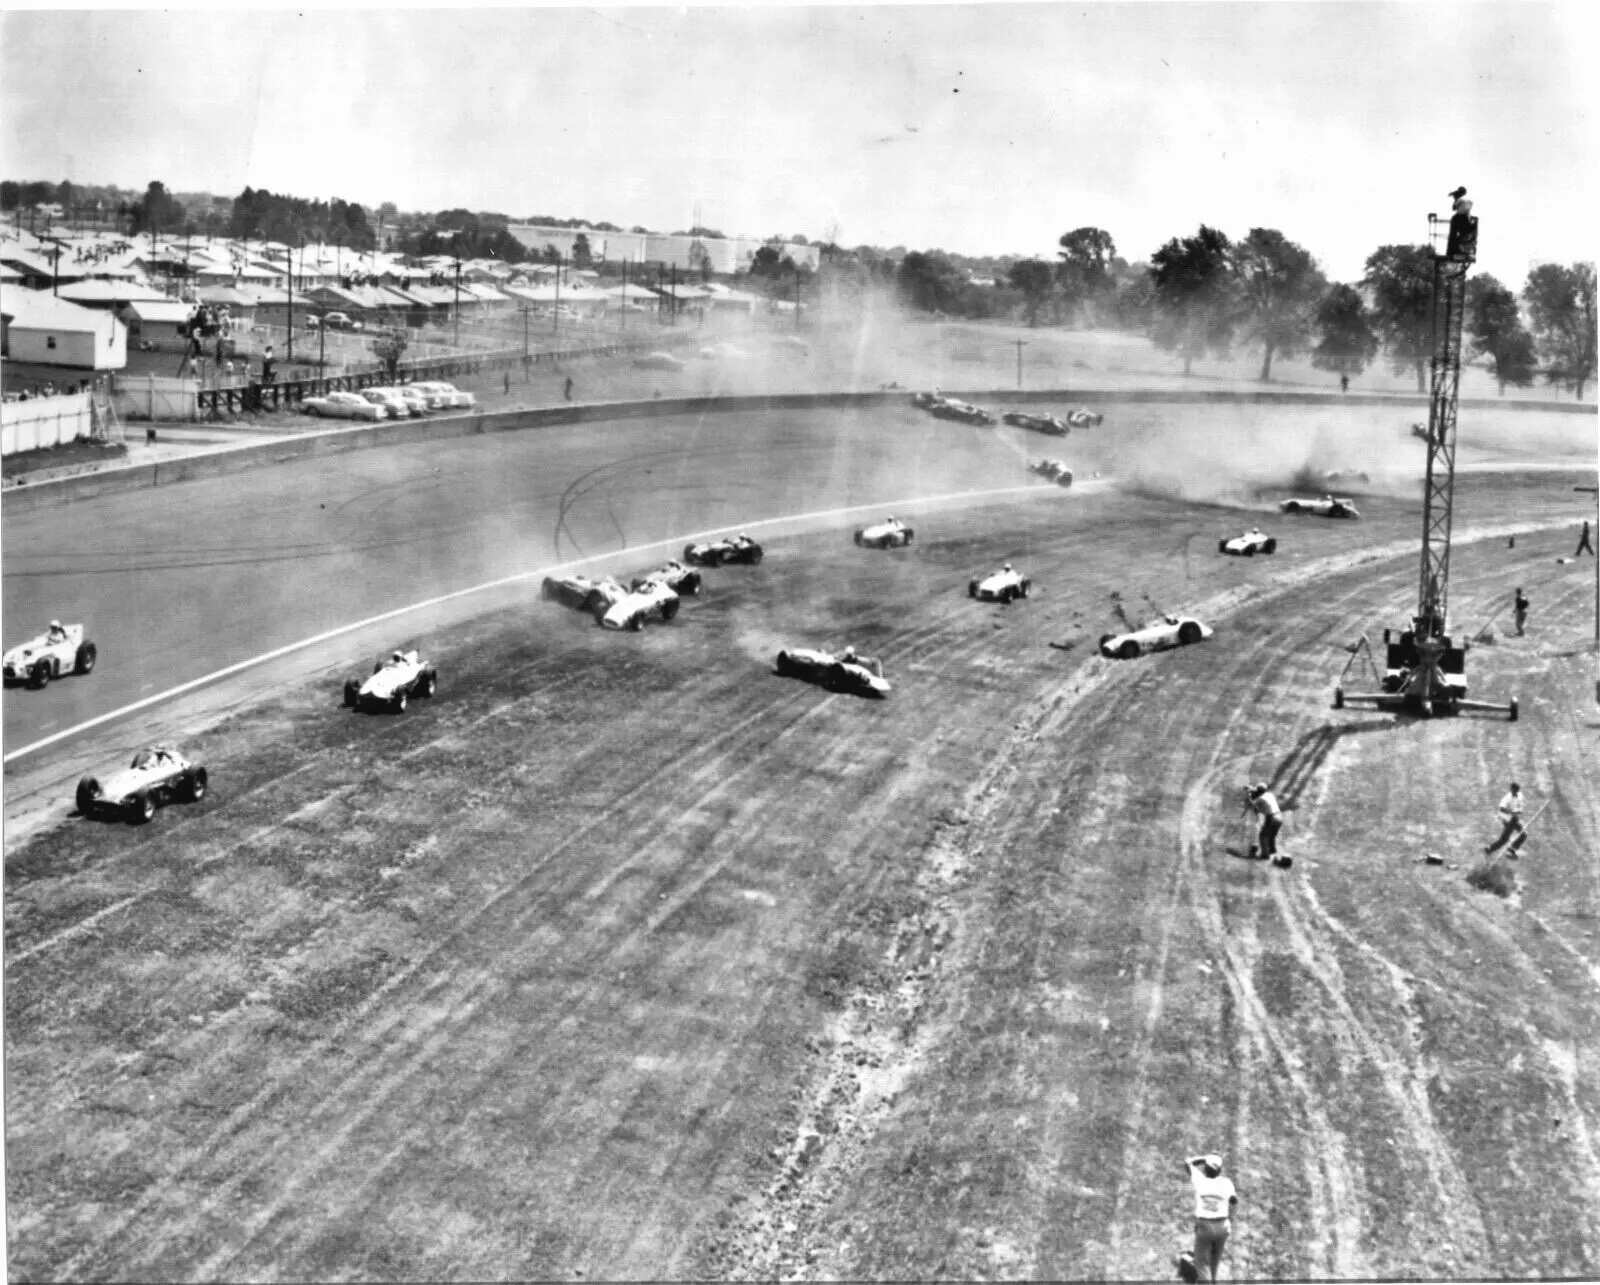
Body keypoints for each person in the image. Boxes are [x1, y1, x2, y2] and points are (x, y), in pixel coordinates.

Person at [1184, 1154, 1238, 1283]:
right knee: (1215, 1260)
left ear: (1205, 1169)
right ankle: (1214, 1281)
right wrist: (1230, 1220)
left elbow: (1188, 1162)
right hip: (1223, 1226)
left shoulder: (1199, 1180)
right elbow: (1234, 1201)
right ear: (1220, 1170)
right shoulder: (1226, 1183)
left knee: (1201, 1263)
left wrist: (1204, 1158)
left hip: (1205, 1226)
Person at [1484, 781, 1527, 859]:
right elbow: (1501, 809)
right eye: (1513, 791)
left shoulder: (1520, 795)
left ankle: (1512, 849)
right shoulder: (1507, 798)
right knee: (1504, 840)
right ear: (1511, 790)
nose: (1515, 793)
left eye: (1516, 791)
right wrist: (1512, 812)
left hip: (1513, 818)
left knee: (1523, 835)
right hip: (1506, 819)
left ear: (1518, 790)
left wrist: (1519, 810)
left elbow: (1519, 804)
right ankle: (1489, 849)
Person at [1247, 782, 1286, 866]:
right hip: (1279, 817)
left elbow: (1252, 805)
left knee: (1263, 836)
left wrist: (1249, 795)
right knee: (1272, 836)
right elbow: (1260, 792)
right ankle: (1273, 852)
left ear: (1258, 791)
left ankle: (1265, 855)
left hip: (1272, 818)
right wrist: (1252, 789)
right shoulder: (1270, 794)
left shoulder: (1260, 799)